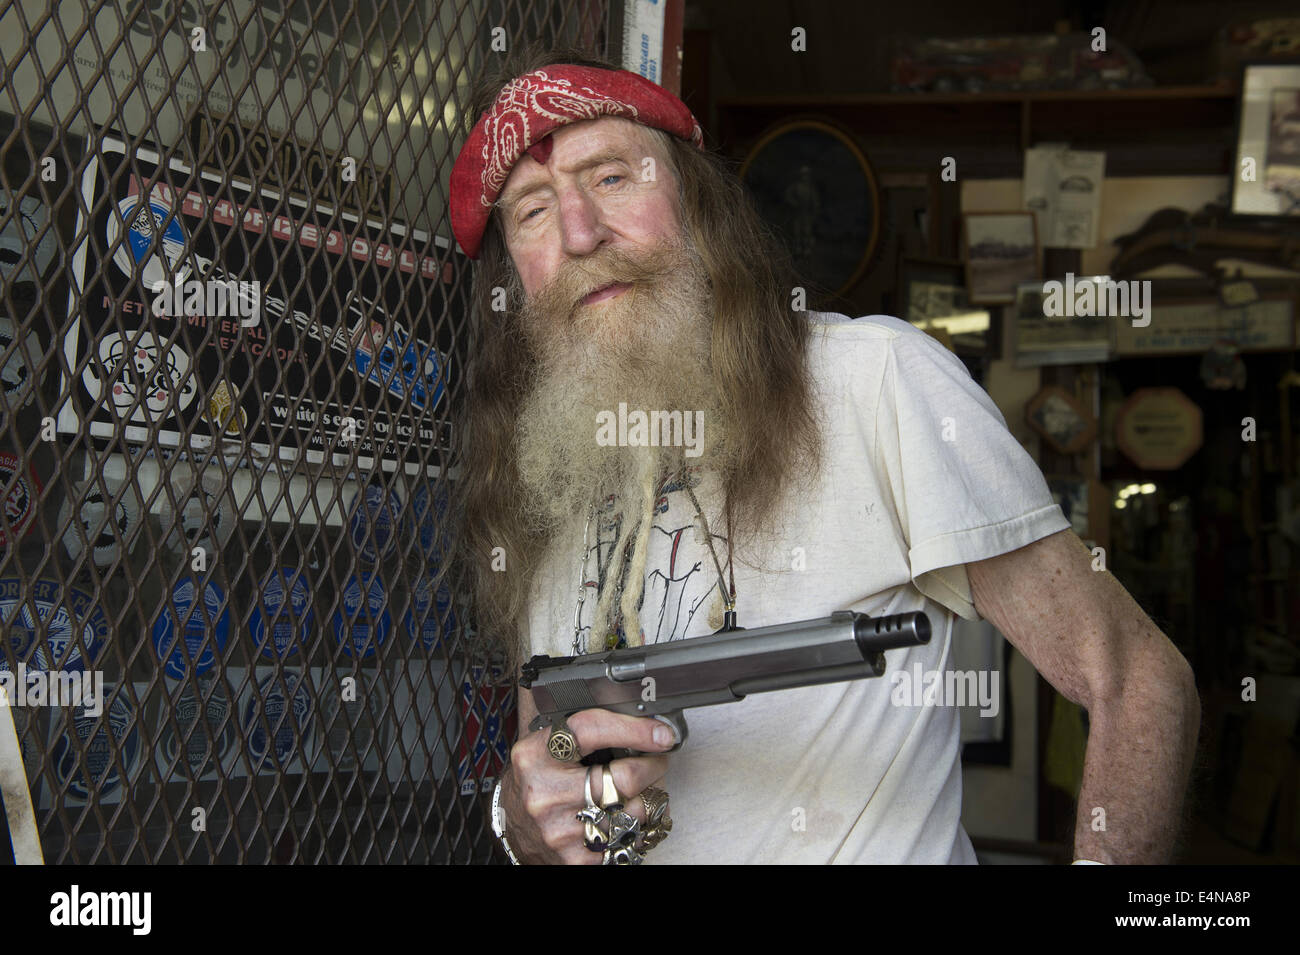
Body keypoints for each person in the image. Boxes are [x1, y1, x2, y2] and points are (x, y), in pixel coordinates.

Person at [449, 43, 1200, 865]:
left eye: (613, 177)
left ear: (699, 204)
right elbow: (546, 769)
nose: (582, 233)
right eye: (531, 211)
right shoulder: (543, 473)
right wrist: (520, 823)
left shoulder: (874, 379)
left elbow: (1138, 680)